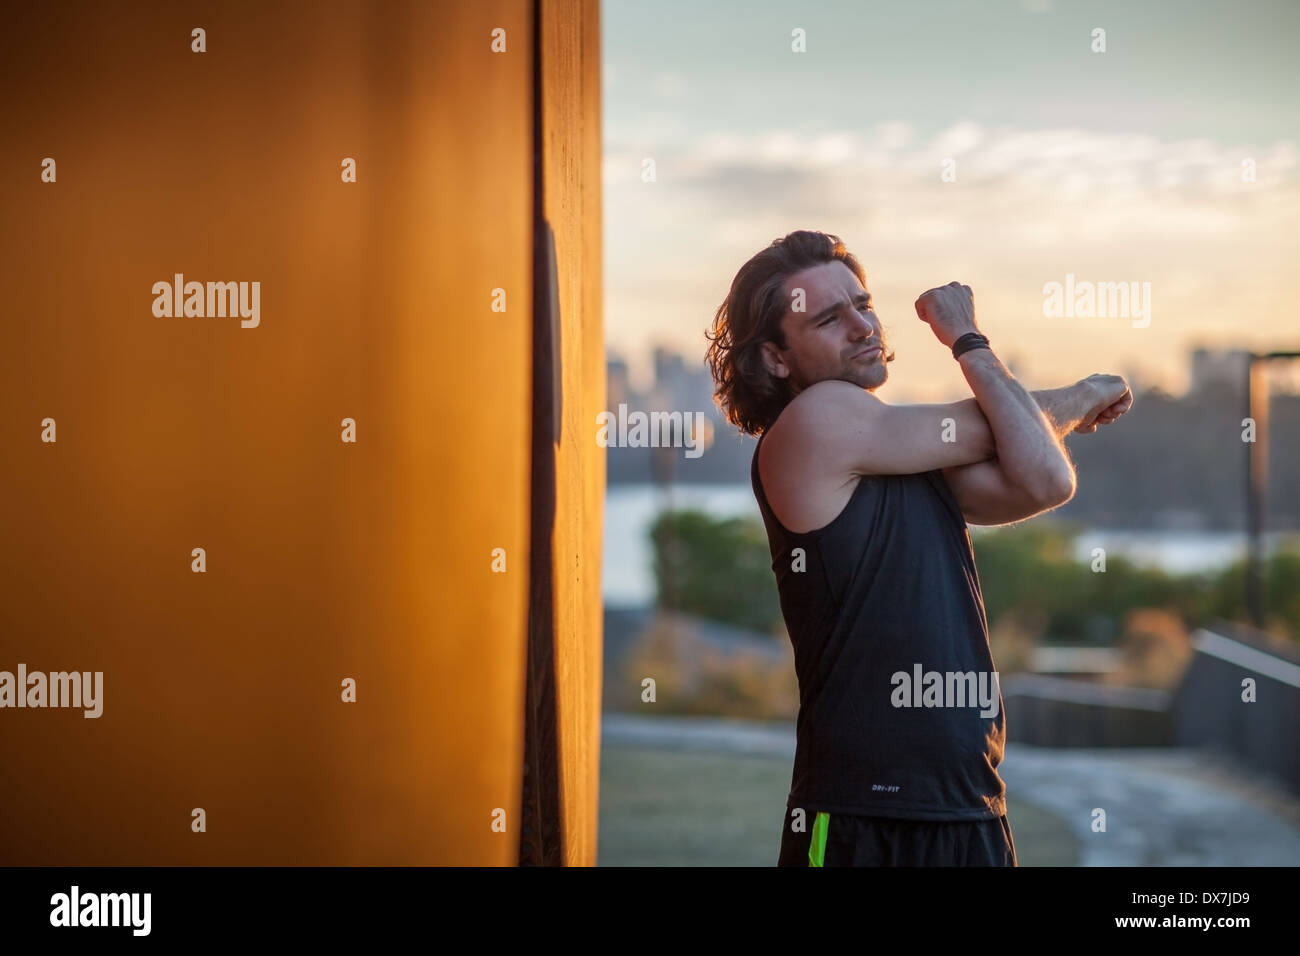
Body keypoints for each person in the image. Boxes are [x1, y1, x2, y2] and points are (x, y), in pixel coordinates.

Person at [704, 230, 1133, 866]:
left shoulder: (904, 451)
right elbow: (1002, 425)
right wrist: (971, 340)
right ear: (775, 359)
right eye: (828, 318)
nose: (861, 326)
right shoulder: (814, 423)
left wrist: (1058, 402)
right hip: (861, 816)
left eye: (862, 303)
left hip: (968, 805)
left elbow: (1047, 477)